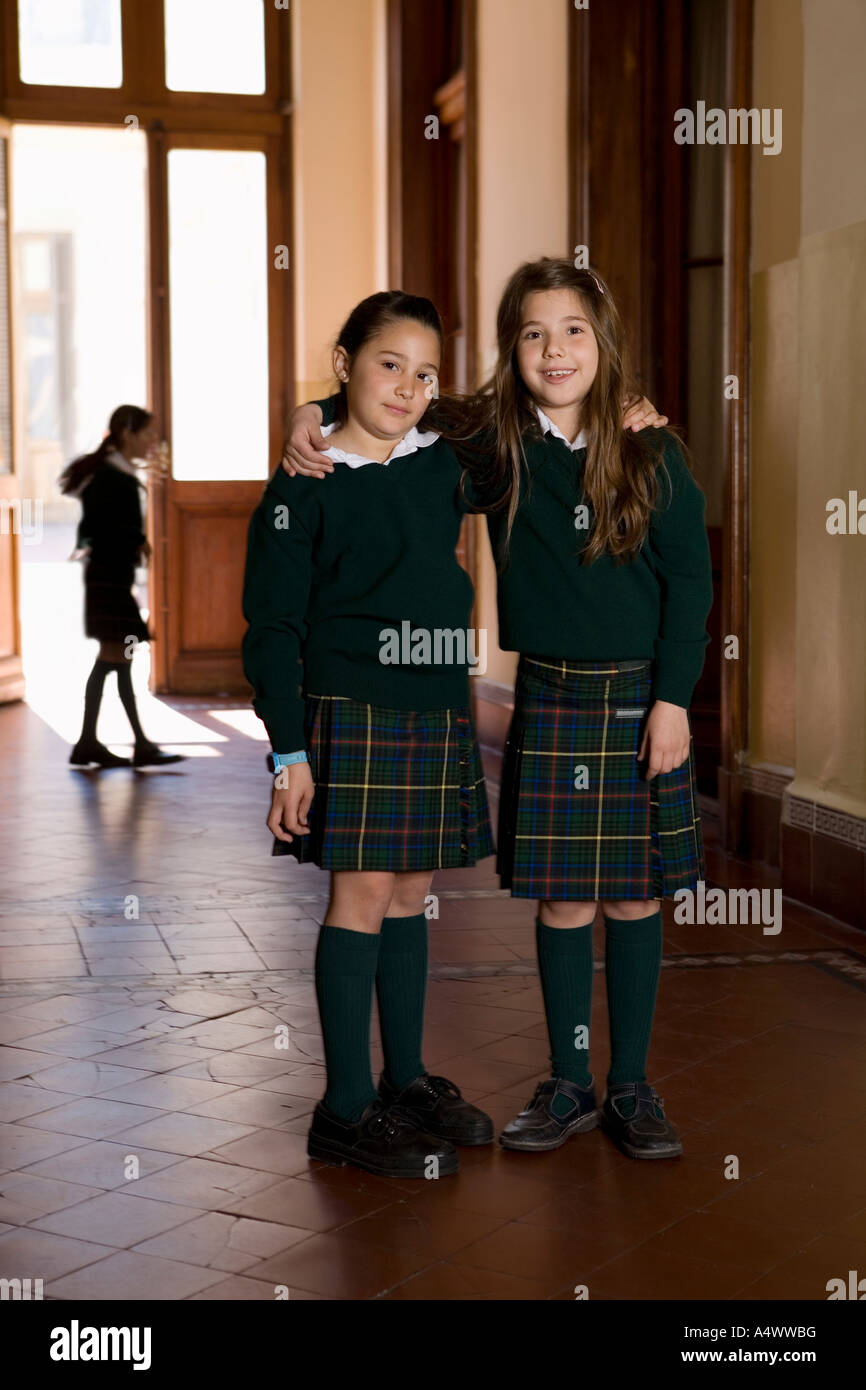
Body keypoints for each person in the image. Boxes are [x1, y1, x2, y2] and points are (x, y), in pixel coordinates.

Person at [282, 259, 712, 1162]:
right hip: (549, 696)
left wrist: (674, 701)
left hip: (641, 700)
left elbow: (691, 584)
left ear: (605, 343)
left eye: (573, 331)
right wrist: (306, 419)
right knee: (561, 904)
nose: (554, 351)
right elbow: (379, 401)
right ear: (512, 350)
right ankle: (568, 1083)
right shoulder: (491, 444)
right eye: (532, 333)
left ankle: (630, 1085)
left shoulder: (652, 450)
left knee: (634, 902)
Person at [242, 291, 496, 1179]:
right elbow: (271, 627)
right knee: (360, 897)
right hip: (347, 710)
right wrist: (288, 753)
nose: (410, 387)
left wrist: (316, 402)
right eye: (389, 363)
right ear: (345, 360)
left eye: (426, 372)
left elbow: (506, 409)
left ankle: (407, 1079)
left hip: (434, 706)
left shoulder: (445, 463)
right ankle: (344, 1108)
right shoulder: (302, 485)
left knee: (410, 893)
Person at [59, 405, 184, 769]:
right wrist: (136, 541)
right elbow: (106, 528)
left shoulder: (115, 472)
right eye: (147, 434)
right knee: (117, 658)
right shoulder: (111, 476)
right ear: (127, 434)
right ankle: (120, 744)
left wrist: (136, 541)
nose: (152, 442)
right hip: (109, 580)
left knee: (117, 659)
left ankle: (95, 743)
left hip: (111, 579)